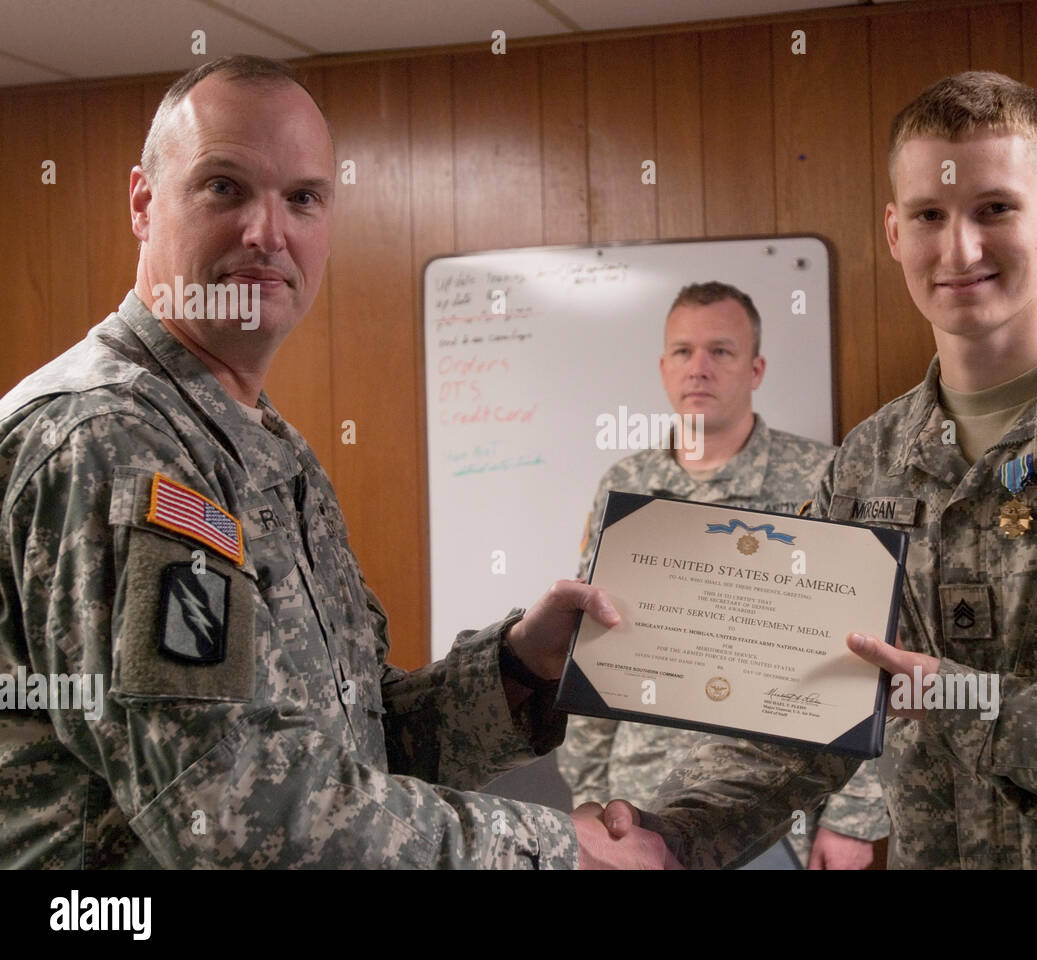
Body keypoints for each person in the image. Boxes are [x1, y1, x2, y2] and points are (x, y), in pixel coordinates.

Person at [0, 55, 676, 870]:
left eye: (303, 199)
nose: (266, 234)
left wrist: (516, 670)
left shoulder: (260, 443)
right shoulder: (108, 441)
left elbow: (354, 741)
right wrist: (557, 850)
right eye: (224, 187)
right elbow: (243, 815)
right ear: (144, 203)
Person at [616, 70, 1037, 869]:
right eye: (930, 215)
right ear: (894, 231)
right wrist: (674, 833)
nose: (959, 248)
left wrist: (973, 708)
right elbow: (804, 712)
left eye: (995, 209)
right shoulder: (866, 466)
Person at [556, 282, 887, 869]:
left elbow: (865, 658)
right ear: (663, 367)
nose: (699, 368)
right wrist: (587, 791)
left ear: (756, 369)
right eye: (683, 352)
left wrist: (855, 817)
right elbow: (593, 644)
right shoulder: (625, 485)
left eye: (722, 351)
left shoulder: (821, 478)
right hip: (636, 804)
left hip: (772, 807)